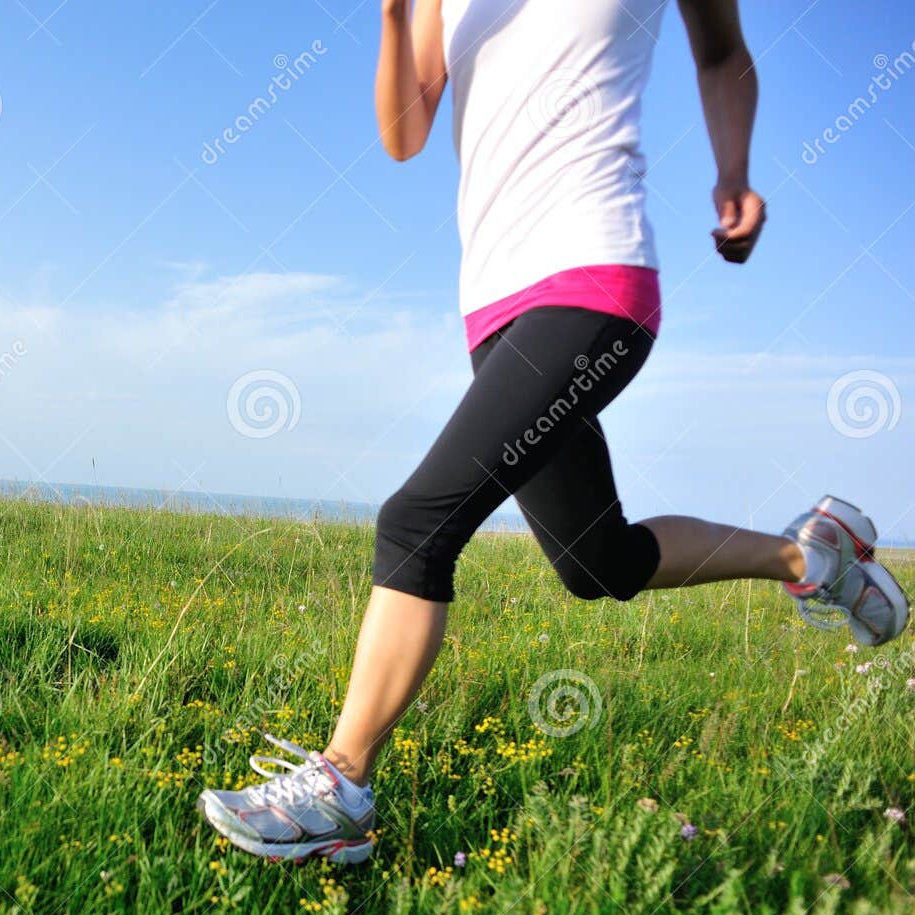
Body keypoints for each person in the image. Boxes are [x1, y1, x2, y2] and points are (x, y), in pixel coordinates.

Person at [198, 0, 908, 864]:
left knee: (416, 521)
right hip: (493, 305)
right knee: (596, 562)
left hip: (594, 276)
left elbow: (722, 52)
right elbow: (402, 132)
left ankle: (340, 788)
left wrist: (734, 172)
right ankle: (812, 557)